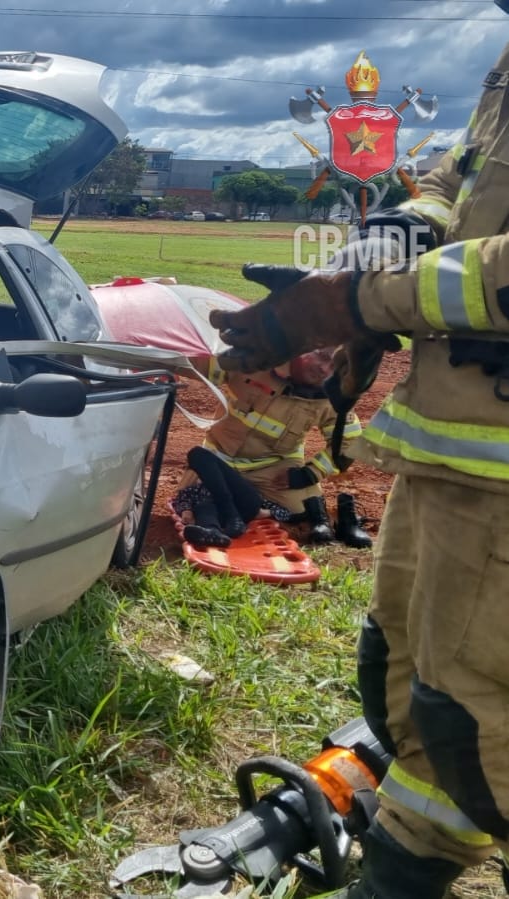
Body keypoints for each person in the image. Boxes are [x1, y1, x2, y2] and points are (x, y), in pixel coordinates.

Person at [209, 32, 509, 898]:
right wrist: (391, 233)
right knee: (410, 692)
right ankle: (398, 867)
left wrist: (357, 300)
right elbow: (465, 175)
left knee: (478, 721)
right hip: (455, 454)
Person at [175, 348, 373, 548]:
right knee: (190, 500)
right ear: (303, 345)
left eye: (334, 365)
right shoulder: (254, 359)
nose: (324, 369)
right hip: (219, 459)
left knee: (302, 513)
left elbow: (349, 442)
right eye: (321, 356)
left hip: (275, 468)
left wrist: (308, 474)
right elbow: (194, 361)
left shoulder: (332, 395)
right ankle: (247, 508)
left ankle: (237, 507)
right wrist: (155, 357)